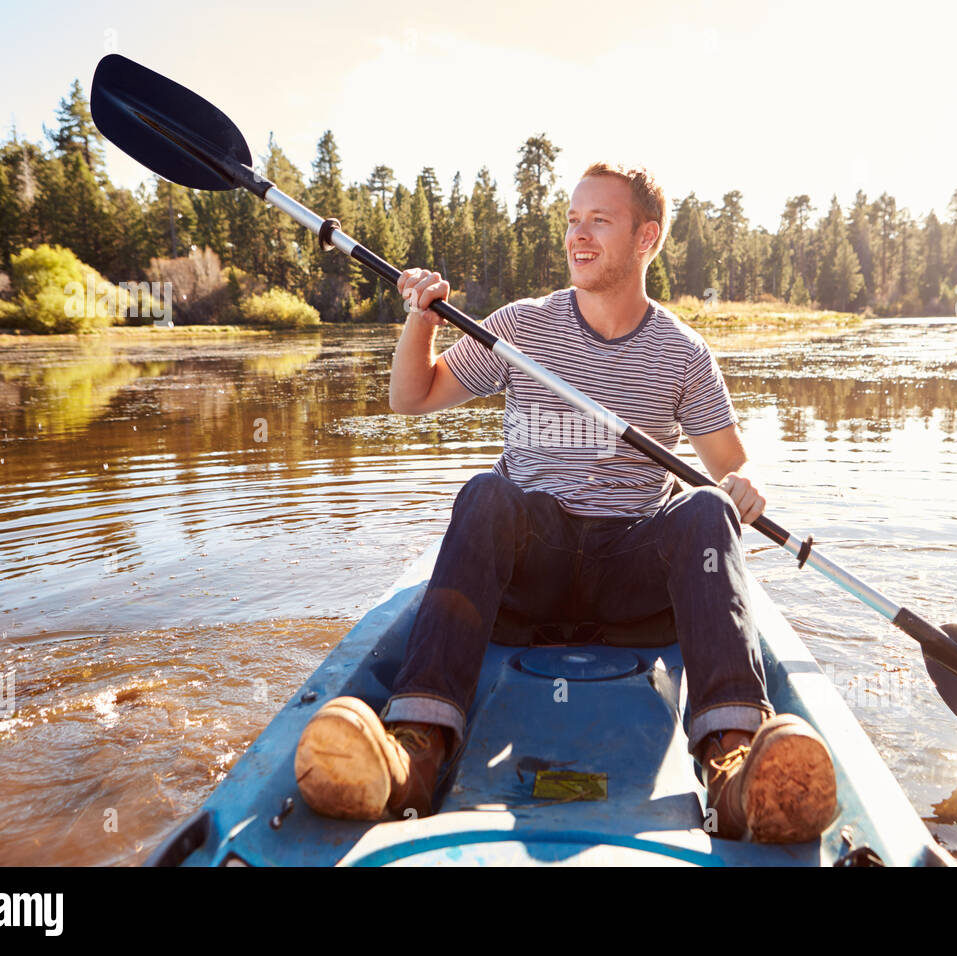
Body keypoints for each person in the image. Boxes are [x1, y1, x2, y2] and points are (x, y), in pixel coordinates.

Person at [294, 162, 838, 843]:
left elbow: (732, 467)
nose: (578, 236)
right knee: (486, 495)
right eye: (573, 221)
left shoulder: (682, 351)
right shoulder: (519, 327)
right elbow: (413, 398)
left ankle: (733, 770)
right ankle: (413, 755)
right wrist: (420, 321)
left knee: (706, 509)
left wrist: (746, 488)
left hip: (632, 577)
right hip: (534, 572)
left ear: (647, 239)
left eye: (598, 221)